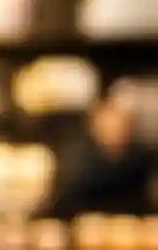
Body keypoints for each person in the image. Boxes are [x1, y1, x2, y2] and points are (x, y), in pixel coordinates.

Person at [40, 81, 154, 219]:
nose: (116, 126)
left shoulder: (141, 160)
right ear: (96, 120)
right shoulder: (74, 158)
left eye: (123, 120)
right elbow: (63, 203)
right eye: (111, 118)